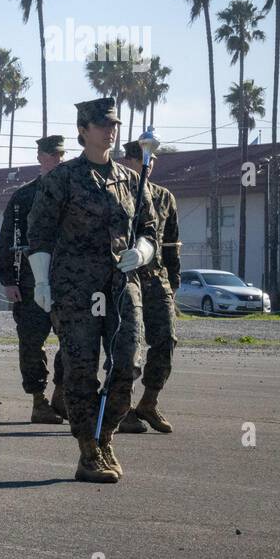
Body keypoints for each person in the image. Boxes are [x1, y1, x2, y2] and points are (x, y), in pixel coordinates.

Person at [26, 97, 156, 483]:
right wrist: (43, 282)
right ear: (83, 130)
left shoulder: (132, 179)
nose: (111, 131)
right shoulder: (61, 179)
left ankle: (106, 435)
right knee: (81, 370)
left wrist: (142, 252)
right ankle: (88, 449)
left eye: (114, 124)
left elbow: (150, 228)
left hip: (120, 286)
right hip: (75, 289)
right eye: (102, 125)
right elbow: (40, 233)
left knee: (127, 364)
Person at [0, 135, 69, 423]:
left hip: (67, 280)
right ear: (40, 157)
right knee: (31, 343)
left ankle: (61, 393)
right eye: (53, 154)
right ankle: (39, 400)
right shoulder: (24, 196)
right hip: (29, 281)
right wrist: (8, 279)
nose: (58, 159)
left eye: (62, 154)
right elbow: (6, 241)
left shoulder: (73, 191)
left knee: (73, 341)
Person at [118, 139, 180, 435]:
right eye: (142, 158)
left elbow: (170, 245)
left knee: (166, 340)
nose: (148, 163)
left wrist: (174, 282)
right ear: (127, 161)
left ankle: (149, 401)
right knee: (128, 347)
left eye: (151, 158)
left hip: (157, 280)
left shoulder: (164, 197)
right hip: (126, 280)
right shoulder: (118, 191)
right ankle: (123, 408)